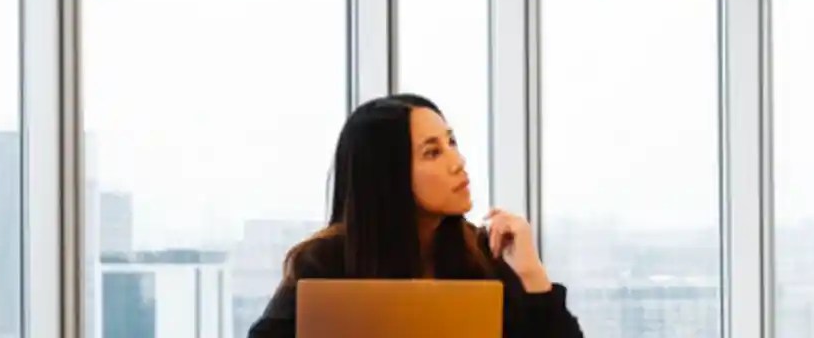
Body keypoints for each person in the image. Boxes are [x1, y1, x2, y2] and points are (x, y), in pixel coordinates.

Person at [247, 94, 584, 337]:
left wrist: (532, 273)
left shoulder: (483, 255)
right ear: (389, 174)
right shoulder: (325, 263)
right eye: (433, 152)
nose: (458, 161)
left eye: (452, 142)